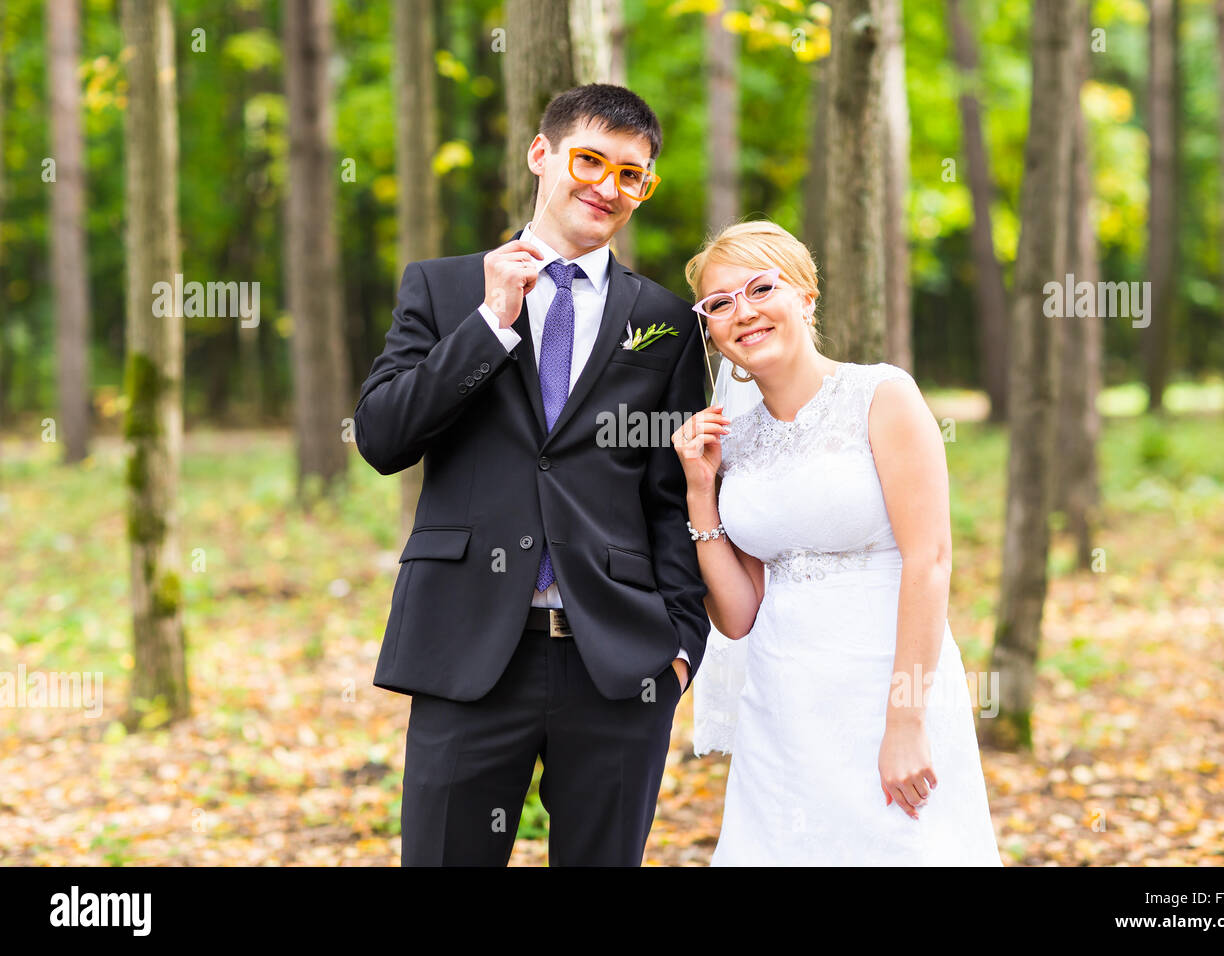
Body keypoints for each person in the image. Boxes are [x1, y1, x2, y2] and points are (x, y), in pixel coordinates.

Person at [354, 84, 710, 866]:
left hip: (618, 664)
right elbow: (383, 439)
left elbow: (672, 493)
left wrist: (681, 644)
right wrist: (489, 325)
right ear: (541, 155)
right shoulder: (444, 289)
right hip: (467, 649)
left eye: (632, 175)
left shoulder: (666, 322)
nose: (606, 187)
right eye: (590, 160)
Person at [673, 220, 1002, 865]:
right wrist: (699, 492)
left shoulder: (881, 396)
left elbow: (929, 562)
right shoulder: (732, 443)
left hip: (886, 687)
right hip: (783, 706)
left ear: (805, 295)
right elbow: (738, 617)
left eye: (760, 288)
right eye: (719, 304)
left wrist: (905, 724)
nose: (743, 312)